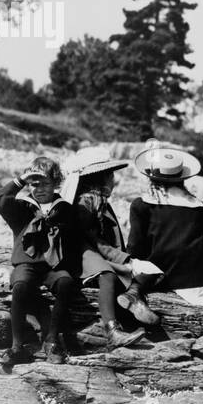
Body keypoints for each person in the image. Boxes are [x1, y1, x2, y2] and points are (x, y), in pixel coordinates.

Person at [120, 140, 203, 322]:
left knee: (138, 265)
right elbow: (200, 239)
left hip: (167, 270)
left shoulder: (141, 205)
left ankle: (135, 293)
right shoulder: (197, 205)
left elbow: (136, 247)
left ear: (151, 176)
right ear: (182, 178)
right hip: (200, 273)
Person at [0, 156, 83, 367]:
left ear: (56, 183)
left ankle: (51, 341)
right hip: (27, 262)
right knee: (21, 285)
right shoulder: (22, 207)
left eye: (45, 184)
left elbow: (74, 241)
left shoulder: (65, 209)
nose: (39, 189)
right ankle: (17, 346)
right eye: (34, 184)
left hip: (53, 266)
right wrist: (21, 180)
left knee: (65, 282)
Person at [60, 147, 147, 351]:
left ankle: (136, 304)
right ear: (101, 178)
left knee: (139, 272)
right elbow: (93, 239)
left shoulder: (99, 202)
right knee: (107, 274)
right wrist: (122, 259)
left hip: (92, 251)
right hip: (80, 252)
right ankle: (112, 331)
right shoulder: (86, 202)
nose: (113, 180)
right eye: (110, 175)